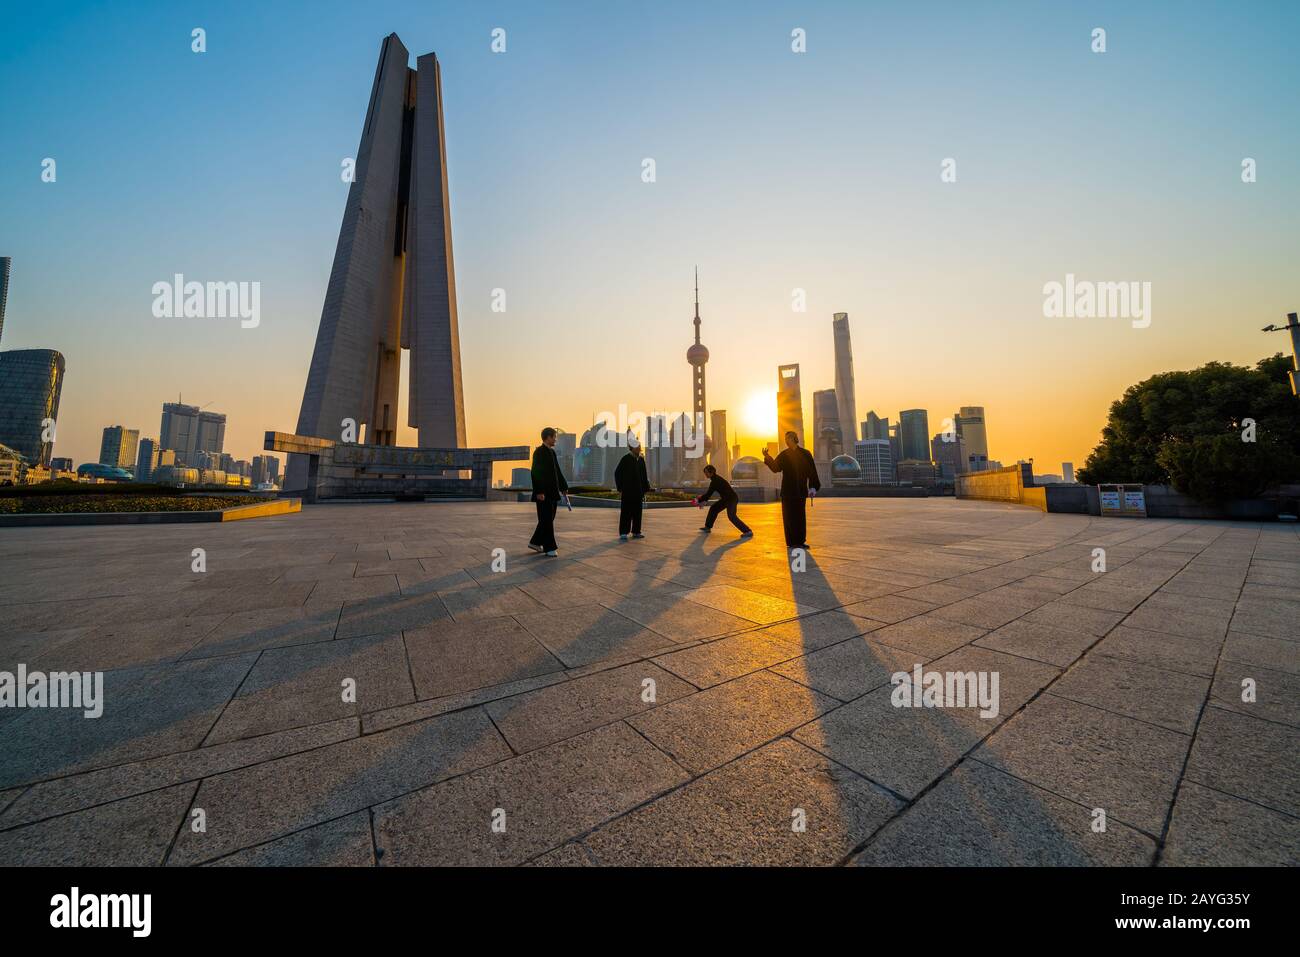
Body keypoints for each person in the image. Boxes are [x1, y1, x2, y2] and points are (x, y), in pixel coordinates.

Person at [762, 431, 821, 549]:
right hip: (787, 492)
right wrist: (767, 457)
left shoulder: (805, 454)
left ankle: (800, 541)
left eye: (787, 438)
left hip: (800, 492)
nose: (785, 441)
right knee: (788, 518)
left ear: (794, 438)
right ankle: (791, 542)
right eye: (785, 439)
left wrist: (813, 487)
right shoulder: (784, 455)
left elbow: (812, 472)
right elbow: (776, 468)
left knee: (800, 517)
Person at [528, 427, 569, 556]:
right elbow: (535, 472)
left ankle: (535, 542)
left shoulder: (552, 452)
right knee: (546, 520)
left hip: (552, 493)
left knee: (548, 519)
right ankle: (550, 548)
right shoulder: (539, 452)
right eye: (554, 437)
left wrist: (563, 487)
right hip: (543, 494)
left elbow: (557, 471)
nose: (556, 439)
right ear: (548, 437)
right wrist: (539, 491)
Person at [695, 464, 752, 536]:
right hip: (726, 499)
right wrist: (701, 500)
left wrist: (698, 500)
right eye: (705, 472)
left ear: (711, 472)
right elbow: (707, 496)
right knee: (714, 508)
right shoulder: (715, 479)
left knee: (731, 516)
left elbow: (708, 495)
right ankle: (708, 527)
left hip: (731, 499)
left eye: (706, 472)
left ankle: (747, 531)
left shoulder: (715, 481)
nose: (705, 474)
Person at [614, 435, 651, 541]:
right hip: (628, 491)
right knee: (626, 512)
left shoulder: (641, 460)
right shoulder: (626, 459)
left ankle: (636, 531)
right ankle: (623, 532)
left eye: (639, 446)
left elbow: (644, 476)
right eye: (637, 446)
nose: (639, 448)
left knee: (637, 512)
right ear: (632, 447)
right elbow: (617, 473)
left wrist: (645, 489)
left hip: (638, 492)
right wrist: (621, 487)